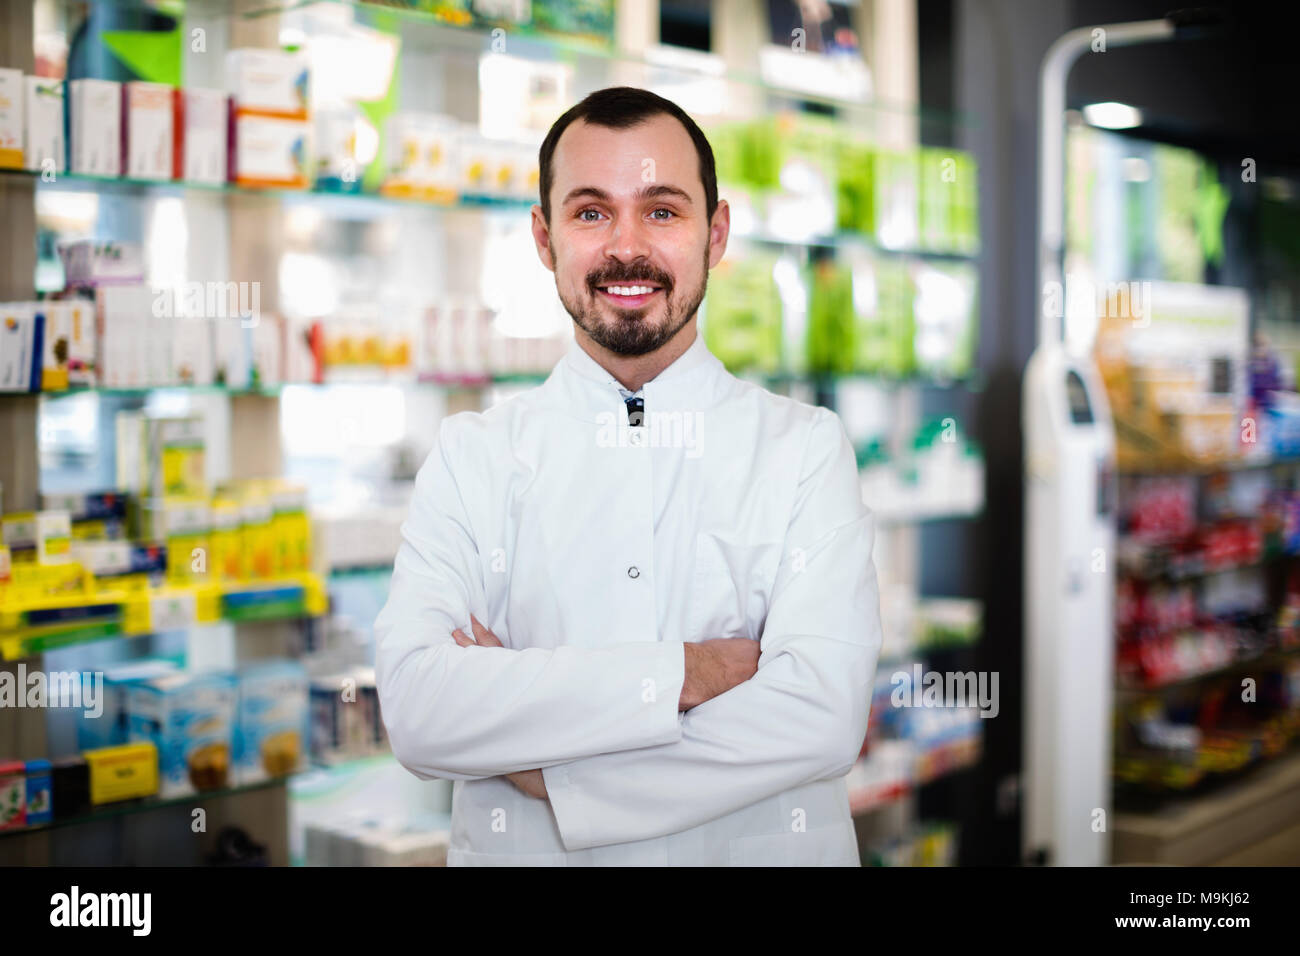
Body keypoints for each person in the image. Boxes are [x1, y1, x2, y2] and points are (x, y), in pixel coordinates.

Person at [374, 86, 883, 866]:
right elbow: (418, 710)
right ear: (544, 239)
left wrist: (552, 770)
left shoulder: (806, 450)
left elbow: (821, 715)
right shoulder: (472, 456)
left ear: (715, 234)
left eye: (662, 210)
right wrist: (688, 671)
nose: (625, 248)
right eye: (590, 212)